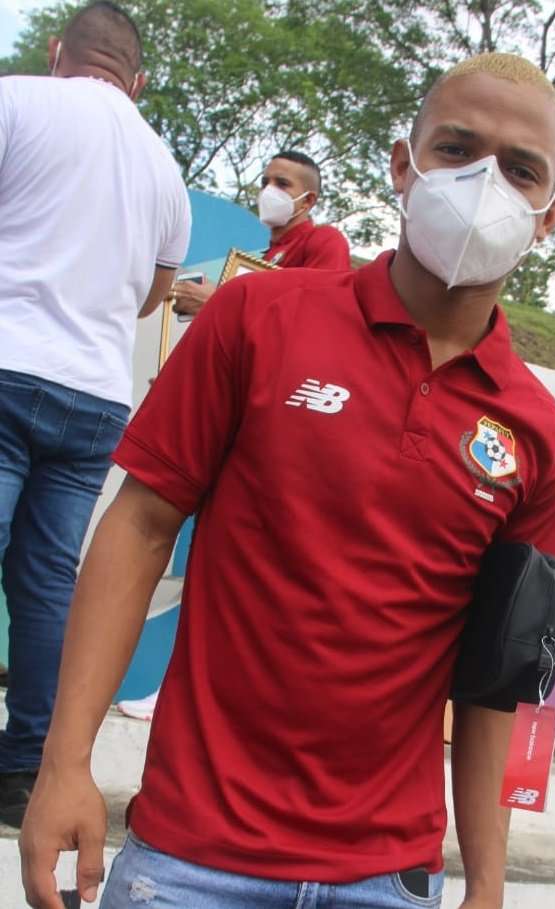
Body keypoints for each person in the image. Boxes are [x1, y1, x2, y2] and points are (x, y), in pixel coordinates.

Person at [20, 52, 555, 909]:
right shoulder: (258, 320)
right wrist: (64, 764)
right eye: (457, 149)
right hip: (188, 861)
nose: (482, 183)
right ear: (404, 164)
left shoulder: (541, 437)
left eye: (519, 169)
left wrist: (488, 882)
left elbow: (495, 678)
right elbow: (138, 526)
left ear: (548, 215)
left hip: (390, 878)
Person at [0, 1, 191, 827]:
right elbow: (153, 291)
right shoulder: (162, 167)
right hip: (93, 398)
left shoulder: (16, 101)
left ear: (57, 51)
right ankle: (20, 774)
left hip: (5, 363)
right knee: (46, 585)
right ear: (136, 80)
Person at [170, 150, 351, 319]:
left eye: (282, 184)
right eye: (265, 183)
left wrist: (217, 302)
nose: (268, 191)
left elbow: (318, 316)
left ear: (308, 200)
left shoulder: (325, 240)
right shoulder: (264, 257)